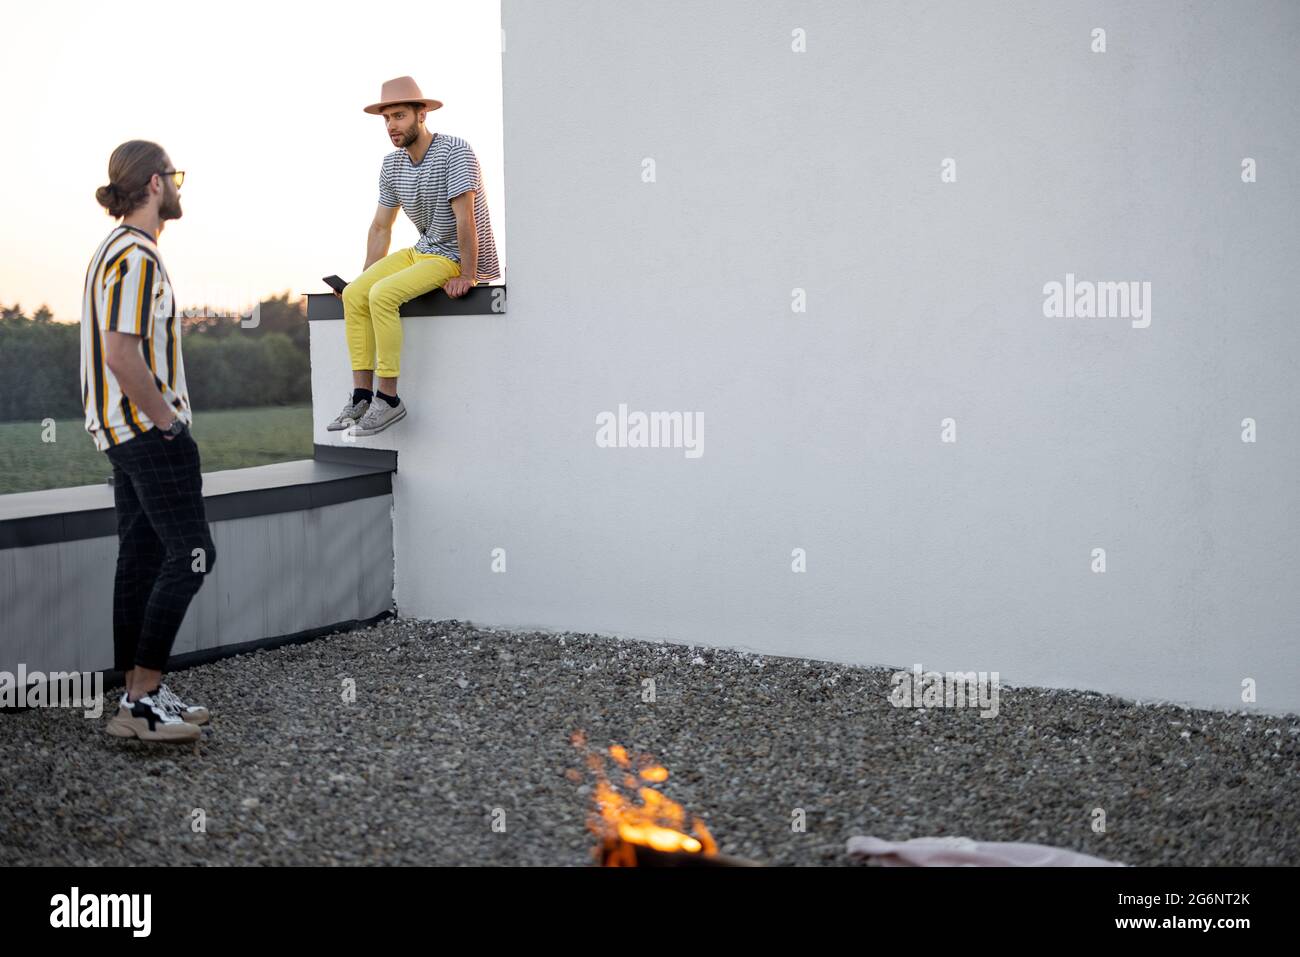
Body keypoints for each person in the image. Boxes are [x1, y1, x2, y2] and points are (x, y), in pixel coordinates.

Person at [82, 140, 214, 743]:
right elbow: (119, 353)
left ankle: (139, 697)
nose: (177, 187)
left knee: (139, 558)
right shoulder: (137, 256)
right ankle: (141, 699)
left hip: (118, 432)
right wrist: (167, 421)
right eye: (174, 175)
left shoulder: (110, 250)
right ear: (156, 183)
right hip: (145, 430)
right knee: (191, 555)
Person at [328, 75, 501, 437]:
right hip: (423, 250)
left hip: (453, 255)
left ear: (422, 114)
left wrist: (468, 274)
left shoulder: (455, 151)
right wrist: (360, 278)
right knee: (360, 293)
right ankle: (361, 395)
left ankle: (388, 399)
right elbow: (381, 228)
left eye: (400, 116)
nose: (392, 125)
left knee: (382, 295)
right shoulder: (392, 165)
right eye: (387, 118)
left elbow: (464, 218)